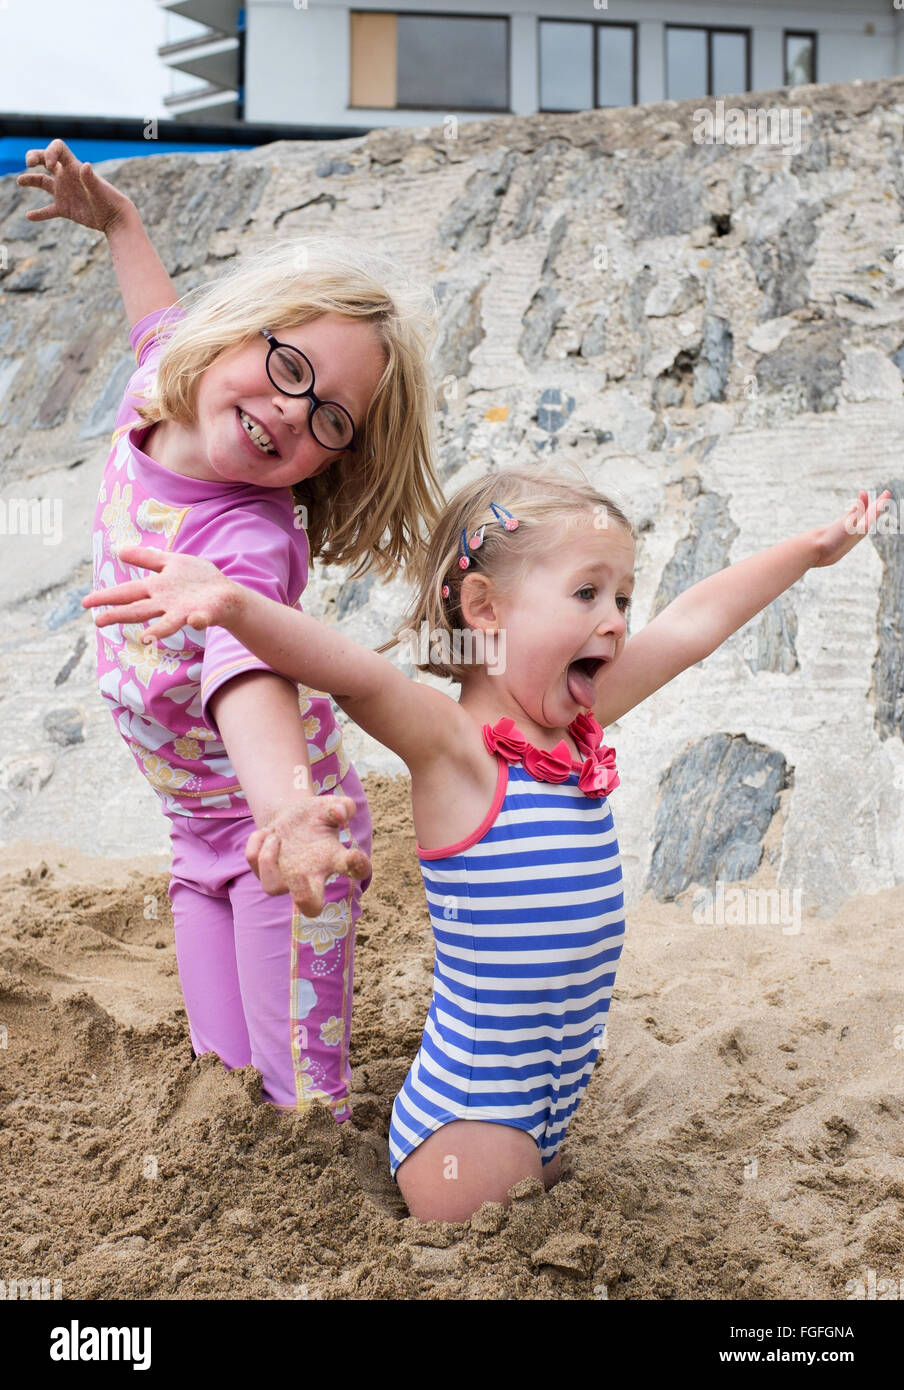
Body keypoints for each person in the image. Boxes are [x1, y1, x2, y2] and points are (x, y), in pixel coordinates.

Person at [81, 462, 890, 1222]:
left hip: (551, 1106)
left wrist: (811, 551)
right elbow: (358, 674)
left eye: (622, 599)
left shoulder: (577, 728)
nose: (614, 621)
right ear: (487, 608)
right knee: (502, 1236)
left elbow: (693, 625)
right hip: (470, 1123)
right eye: (586, 593)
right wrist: (232, 605)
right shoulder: (457, 749)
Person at [19, 138, 444, 1119]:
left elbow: (249, 680)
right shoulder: (162, 384)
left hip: (284, 837)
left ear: (329, 460)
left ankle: (339, 1194)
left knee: (299, 1082)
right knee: (222, 1066)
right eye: (285, 364)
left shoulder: (246, 537)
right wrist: (120, 221)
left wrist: (290, 816)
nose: (287, 412)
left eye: (330, 419)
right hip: (190, 832)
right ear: (234, 335)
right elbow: (155, 315)